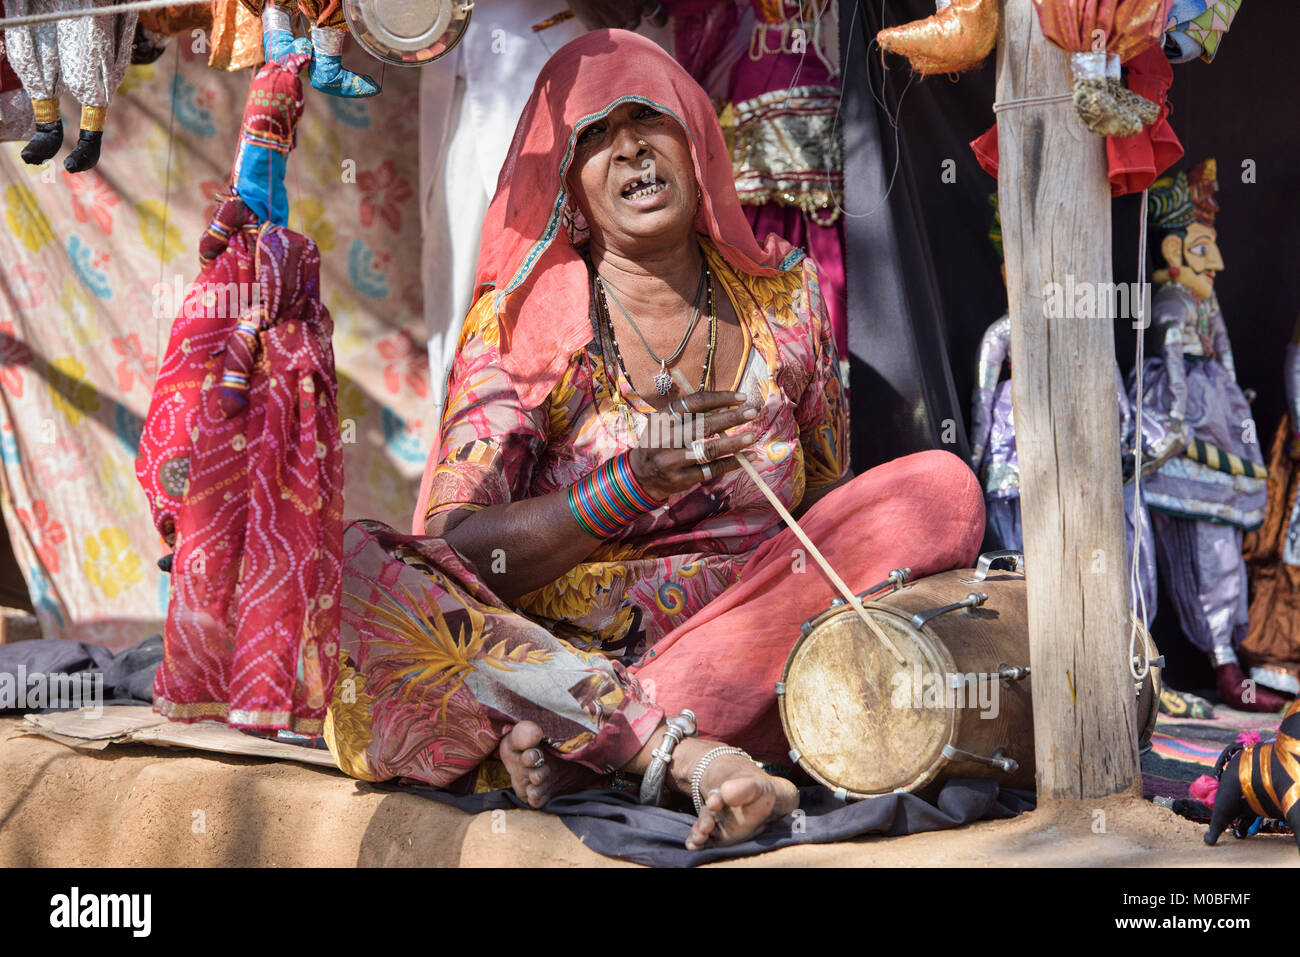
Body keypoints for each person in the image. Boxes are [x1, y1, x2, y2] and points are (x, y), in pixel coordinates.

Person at [325, 29, 984, 849]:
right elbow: (462, 547)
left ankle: (598, 742)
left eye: (648, 119)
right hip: (565, 641)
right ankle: (670, 744)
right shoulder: (525, 326)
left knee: (937, 489)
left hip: (753, 628)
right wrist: (627, 485)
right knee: (357, 566)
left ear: (696, 136)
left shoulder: (784, 299)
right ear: (566, 184)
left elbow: (823, 505)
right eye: (594, 134)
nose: (629, 146)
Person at [1131, 159, 1284, 714]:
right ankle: (1141, 667)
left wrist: (1238, 404)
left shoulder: (1203, 299)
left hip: (1216, 421)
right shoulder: (1171, 300)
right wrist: (1174, 418)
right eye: (1200, 249)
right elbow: (1171, 353)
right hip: (1175, 421)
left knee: (1219, 545)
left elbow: (1224, 352)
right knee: (1142, 546)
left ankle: (1225, 664)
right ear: (1172, 254)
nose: (1214, 262)